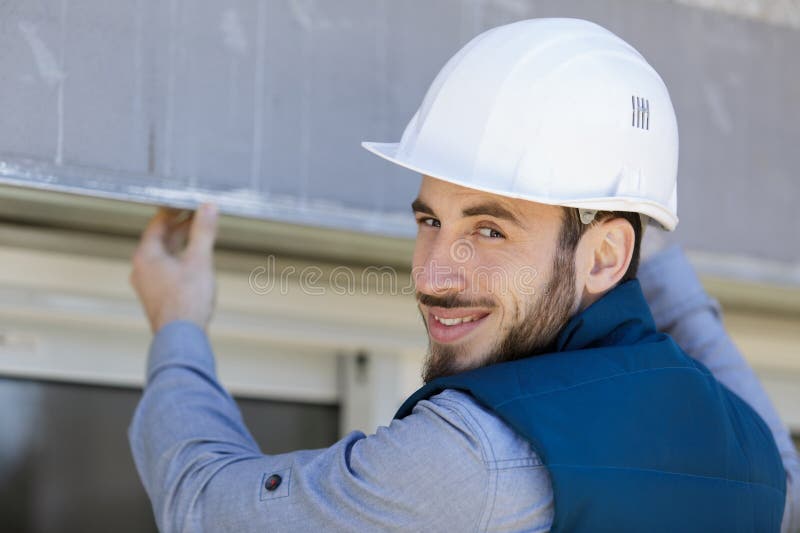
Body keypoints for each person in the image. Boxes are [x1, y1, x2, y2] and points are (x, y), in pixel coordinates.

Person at [128, 18, 799, 532]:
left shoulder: (471, 459)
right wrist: (640, 227)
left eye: (489, 230)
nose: (434, 275)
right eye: (429, 222)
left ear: (603, 256)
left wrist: (177, 324)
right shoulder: (759, 462)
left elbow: (205, 504)